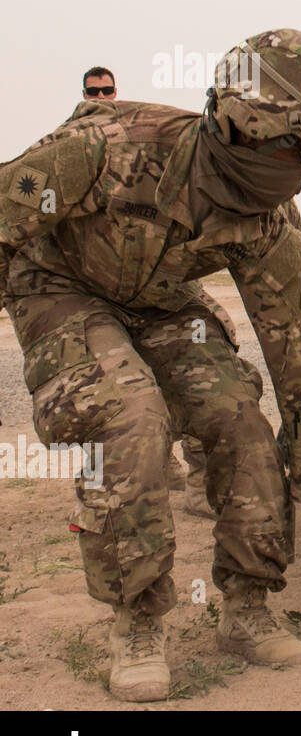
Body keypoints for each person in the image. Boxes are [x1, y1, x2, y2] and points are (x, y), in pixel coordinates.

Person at [1, 29, 301, 701]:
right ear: (240, 126)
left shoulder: (267, 222)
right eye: (300, 146)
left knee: (241, 422)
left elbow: (299, 350)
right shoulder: (102, 151)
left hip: (165, 306)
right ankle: (137, 621)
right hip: (61, 290)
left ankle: (248, 605)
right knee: (132, 415)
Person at [77, 66, 212, 511]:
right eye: (92, 91)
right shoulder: (71, 147)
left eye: (107, 90)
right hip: (97, 286)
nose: (100, 96)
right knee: (109, 393)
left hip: (154, 276)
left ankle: (198, 482)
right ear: (83, 94)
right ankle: (148, 476)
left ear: (117, 92)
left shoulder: (137, 142)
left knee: (199, 364)